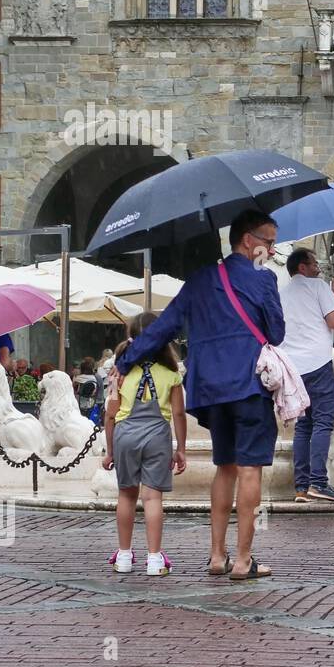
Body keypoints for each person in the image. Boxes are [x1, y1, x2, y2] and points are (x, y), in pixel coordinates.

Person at [119, 209, 284, 581]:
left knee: (224, 466)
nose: (272, 251)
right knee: (249, 467)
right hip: (248, 384)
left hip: (210, 388)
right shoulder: (263, 279)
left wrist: (127, 359)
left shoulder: (199, 279)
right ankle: (243, 560)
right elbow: (276, 333)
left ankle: (215, 556)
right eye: (269, 242)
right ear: (249, 241)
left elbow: (163, 327)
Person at [103, 311, 187, 577]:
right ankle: (154, 558)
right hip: (157, 435)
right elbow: (179, 414)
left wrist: (109, 451)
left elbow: (111, 413)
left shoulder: (120, 373)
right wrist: (181, 448)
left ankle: (124, 556)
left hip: (126, 434)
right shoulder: (171, 374)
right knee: (152, 498)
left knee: (126, 495)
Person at [280, 248, 334, 503]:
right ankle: (318, 482)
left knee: (303, 425)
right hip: (318, 363)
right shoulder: (318, 287)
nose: (318, 267)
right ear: (302, 267)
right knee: (322, 422)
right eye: (314, 263)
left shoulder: (281, 293)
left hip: (293, 368)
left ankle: (301, 486)